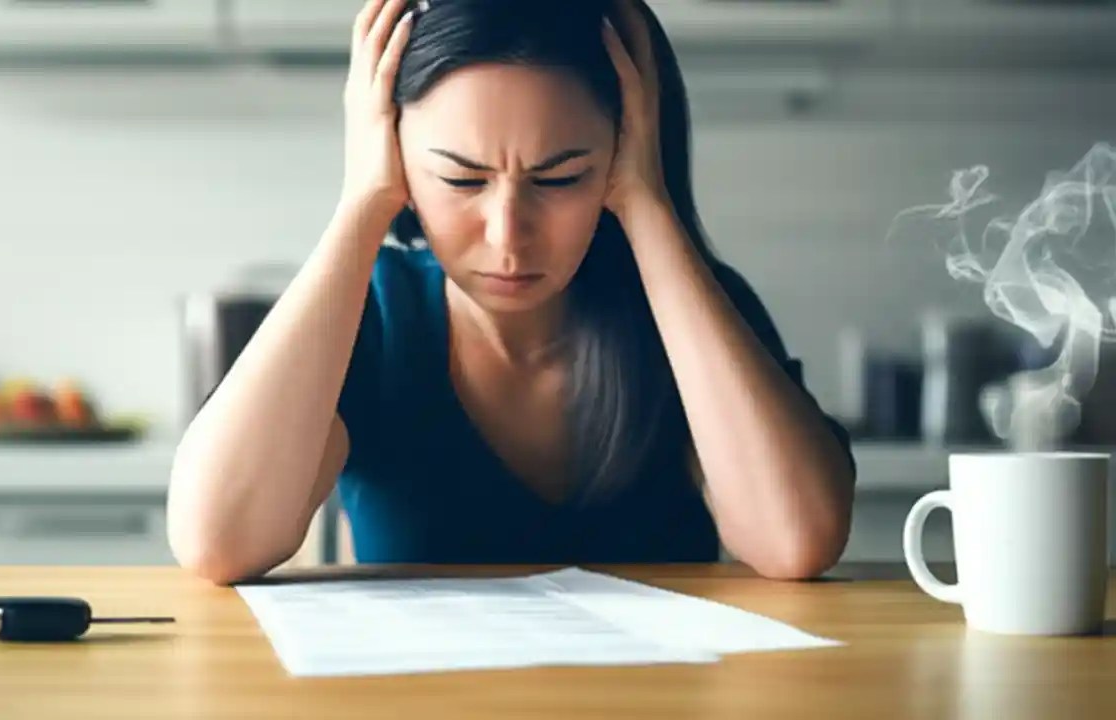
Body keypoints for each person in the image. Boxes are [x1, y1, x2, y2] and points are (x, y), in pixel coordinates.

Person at [166, 0, 857, 585]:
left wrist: (649, 204)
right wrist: (361, 202)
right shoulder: (374, 316)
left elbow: (795, 540)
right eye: (462, 181)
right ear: (400, 159)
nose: (508, 238)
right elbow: (216, 542)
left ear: (622, 155)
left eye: (560, 180)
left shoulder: (684, 311)